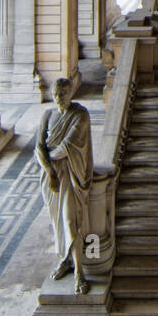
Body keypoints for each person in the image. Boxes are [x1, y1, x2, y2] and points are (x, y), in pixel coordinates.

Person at [35, 77, 93, 294]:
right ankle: (66, 260)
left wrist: (46, 158)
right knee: (57, 221)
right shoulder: (47, 115)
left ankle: (79, 271)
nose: (59, 98)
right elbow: (37, 147)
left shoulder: (80, 115)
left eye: (64, 94)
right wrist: (49, 170)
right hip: (52, 177)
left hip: (70, 174)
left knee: (70, 221)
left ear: (72, 93)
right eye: (56, 94)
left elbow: (67, 147)